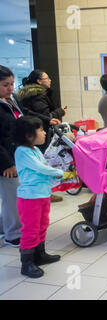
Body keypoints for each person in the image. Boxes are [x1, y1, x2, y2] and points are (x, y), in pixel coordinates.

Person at [14, 116, 65, 278]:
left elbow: (43, 168)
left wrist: (54, 179)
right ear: (29, 135)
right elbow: (40, 168)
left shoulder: (35, 150)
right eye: (41, 130)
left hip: (42, 195)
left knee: (43, 224)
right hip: (29, 199)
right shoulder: (22, 151)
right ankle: (27, 263)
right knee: (31, 229)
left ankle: (39, 255)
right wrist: (58, 173)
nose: (44, 133)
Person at [18, 70, 67, 203]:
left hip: (31, 133)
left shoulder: (27, 95)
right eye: (47, 78)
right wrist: (60, 111)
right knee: (42, 160)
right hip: (37, 133)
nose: (50, 80)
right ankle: (45, 193)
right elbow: (47, 117)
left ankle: (44, 192)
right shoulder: (38, 96)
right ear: (39, 81)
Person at [0, 65, 24, 247]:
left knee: (12, 196)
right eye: (5, 85)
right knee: (12, 196)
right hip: (5, 161)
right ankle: (13, 234)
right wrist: (7, 163)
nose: (10, 88)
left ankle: (5, 227)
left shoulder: (9, 101)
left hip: (14, 155)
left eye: (12, 84)